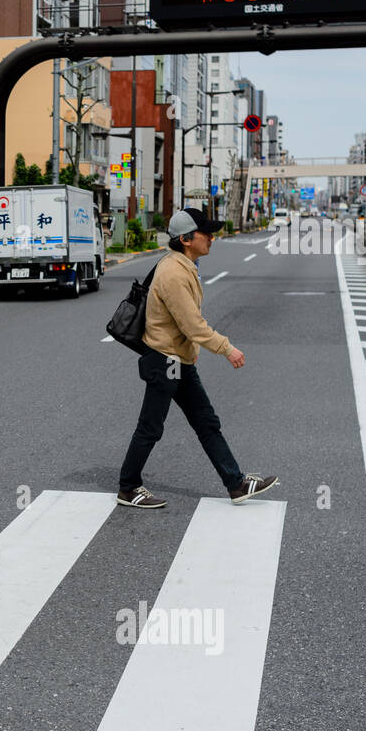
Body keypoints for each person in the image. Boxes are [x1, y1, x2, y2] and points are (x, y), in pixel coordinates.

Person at [116, 207, 279, 509]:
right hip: (165, 361)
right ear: (187, 238)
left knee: (206, 422)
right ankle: (128, 487)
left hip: (179, 361)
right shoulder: (174, 273)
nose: (212, 238)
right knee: (151, 427)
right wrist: (227, 348)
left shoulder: (184, 265)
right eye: (207, 233)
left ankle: (236, 483)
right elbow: (192, 325)